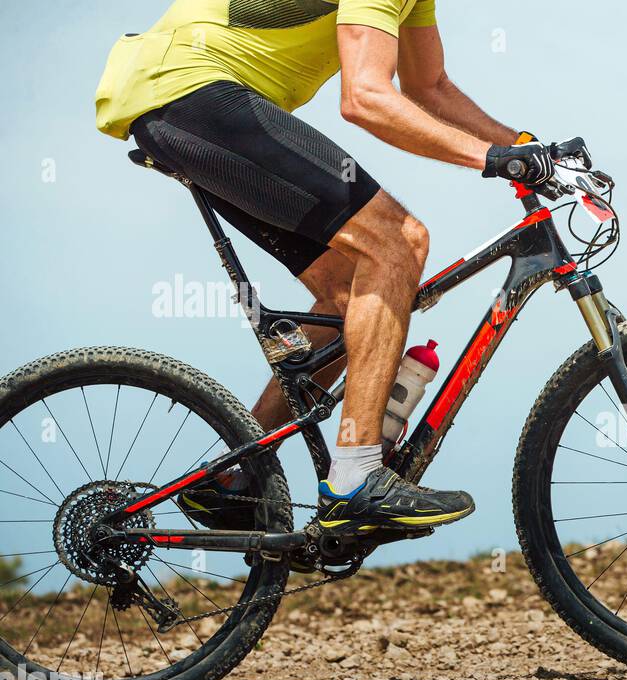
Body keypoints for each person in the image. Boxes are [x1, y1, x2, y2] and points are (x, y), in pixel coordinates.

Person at [94, 0, 555, 533]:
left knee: (349, 292)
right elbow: (365, 97)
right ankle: (355, 478)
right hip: (190, 89)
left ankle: (233, 476)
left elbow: (429, 87)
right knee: (398, 242)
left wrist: (525, 147)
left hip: (183, 101)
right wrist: (492, 160)